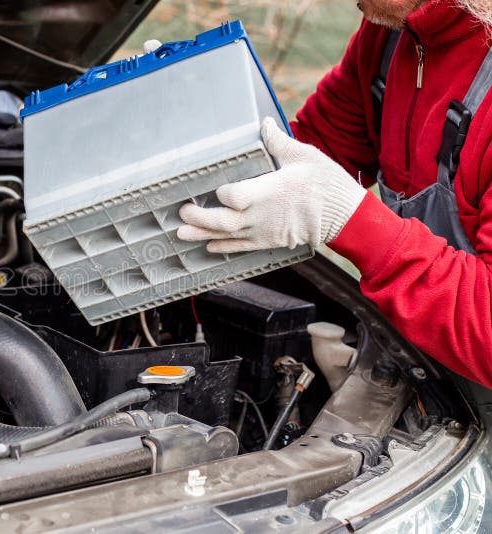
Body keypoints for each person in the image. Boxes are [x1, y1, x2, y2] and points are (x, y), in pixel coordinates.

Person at [176, 0, 492, 387]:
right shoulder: (393, 34)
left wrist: (347, 218)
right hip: (429, 370)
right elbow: (312, 148)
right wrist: (195, 143)